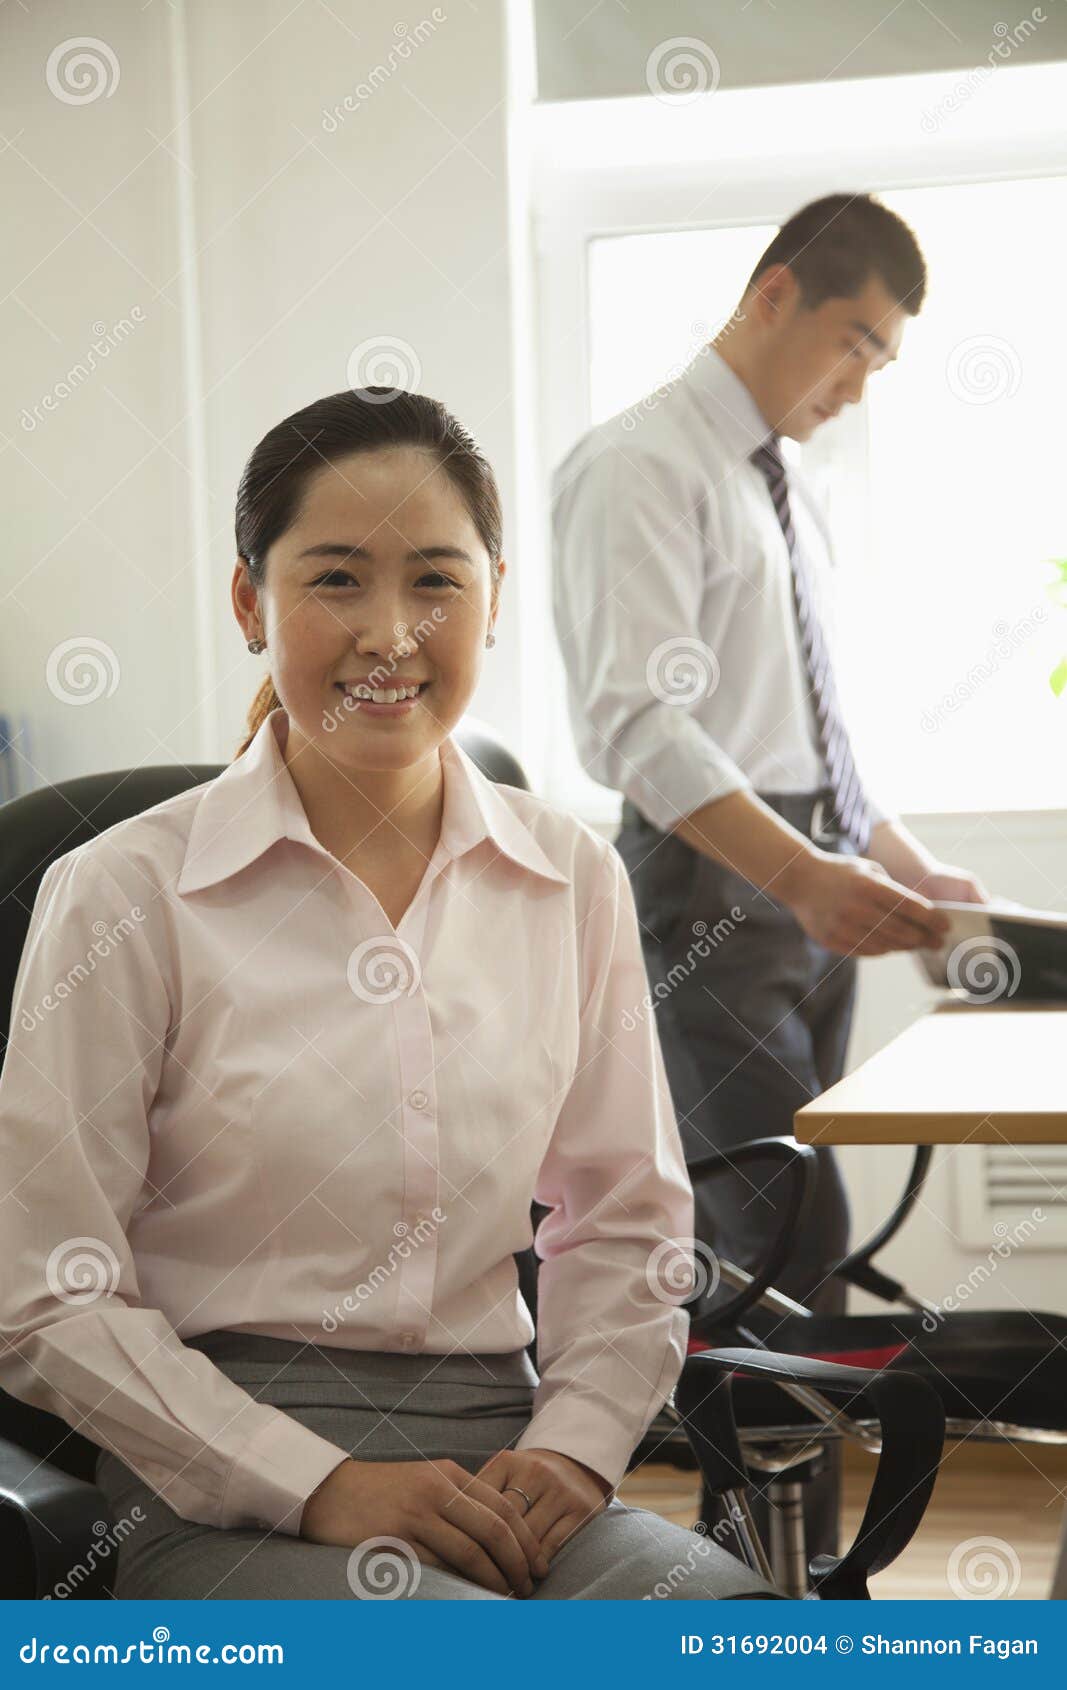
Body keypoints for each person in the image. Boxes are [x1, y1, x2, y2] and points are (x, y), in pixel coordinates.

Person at [0, 388, 781, 1601]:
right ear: (250, 602)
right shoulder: (123, 891)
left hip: (510, 1462)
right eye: (334, 580)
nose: (390, 633)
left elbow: (624, 1217)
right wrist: (319, 1482)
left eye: (434, 581)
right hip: (224, 1480)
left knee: (732, 1636)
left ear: (494, 596)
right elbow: (43, 1288)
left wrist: (575, 1448)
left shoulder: (567, 875)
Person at [551, 193, 988, 1561]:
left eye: (881, 360)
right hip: (717, 881)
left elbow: (795, 724)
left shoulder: (777, 487)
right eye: (853, 341)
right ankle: (751, 1600)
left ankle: (771, 1585)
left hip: (793, 866)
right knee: (765, 1242)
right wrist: (798, 872)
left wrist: (897, 861)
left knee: (791, 1232)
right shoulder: (638, 462)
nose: (857, 384)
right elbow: (635, 723)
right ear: (771, 294)